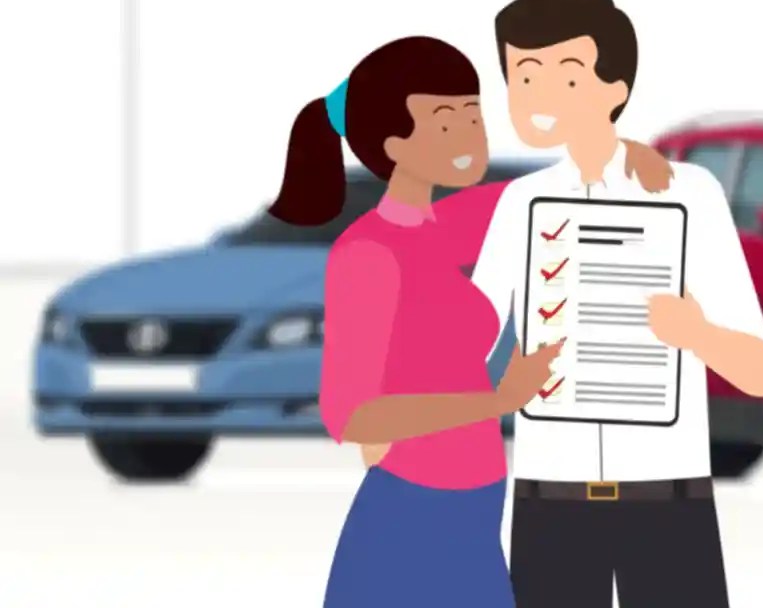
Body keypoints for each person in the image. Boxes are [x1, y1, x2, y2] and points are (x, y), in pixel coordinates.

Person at [266, 35, 674, 606]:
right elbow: (351, 414)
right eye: (443, 121)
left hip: (474, 513)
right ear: (393, 145)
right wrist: (497, 401)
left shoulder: (442, 227)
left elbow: (554, 191)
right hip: (409, 519)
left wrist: (629, 157)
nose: (468, 134)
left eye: (472, 114)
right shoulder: (368, 254)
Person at [470, 0, 763, 608]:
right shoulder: (518, 206)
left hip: (669, 504)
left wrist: (696, 334)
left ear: (615, 87)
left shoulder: (689, 195)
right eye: (522, 77)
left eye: (565, 75)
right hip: (549, 503)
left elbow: (762, 372)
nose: (538, 98)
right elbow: (463, 351)